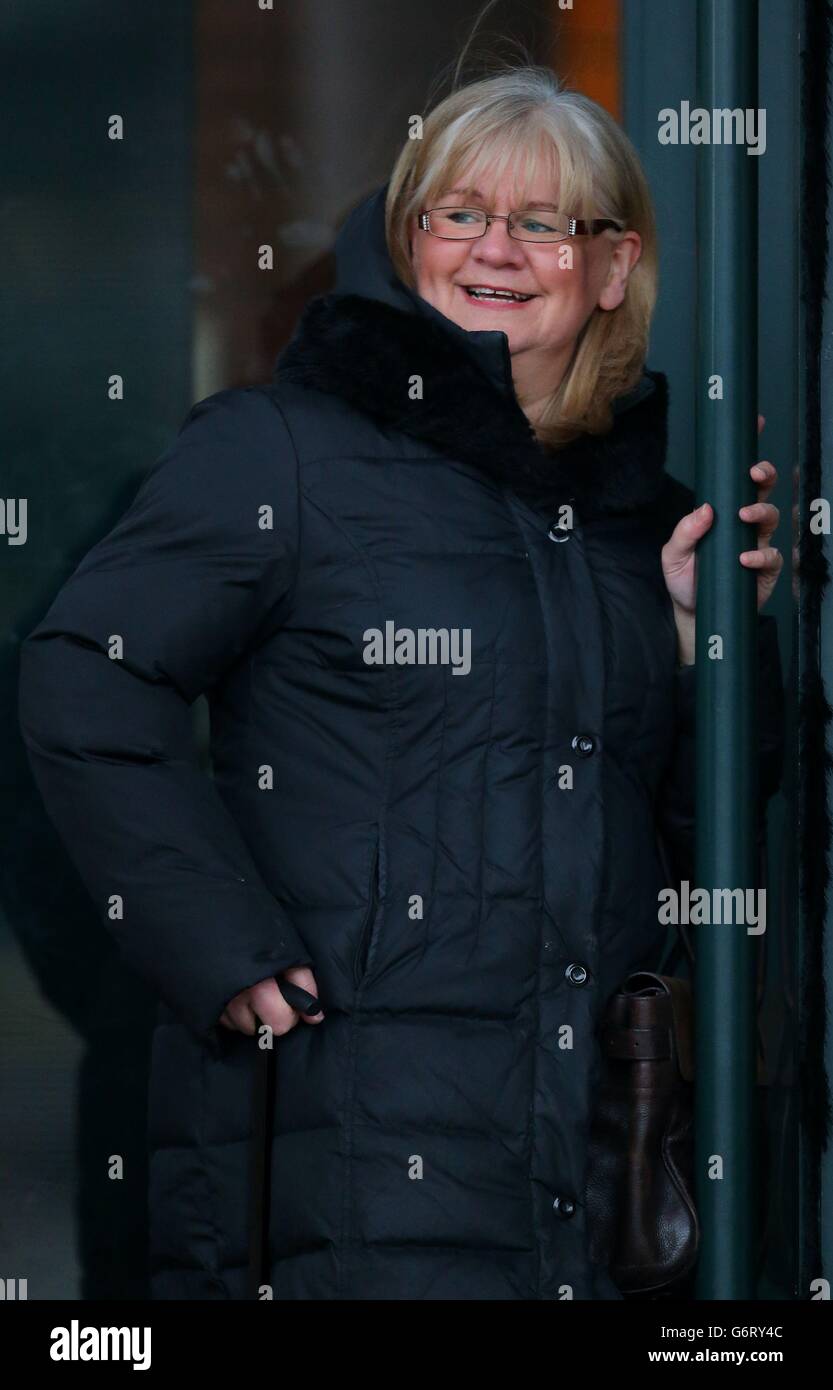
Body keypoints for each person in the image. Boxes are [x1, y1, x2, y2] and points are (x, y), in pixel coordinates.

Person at [18, 66, 783, 1301]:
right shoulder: (280, 450)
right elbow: (85, 682)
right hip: (343, 1150)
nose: (496, 249)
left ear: (611, 265)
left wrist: (703, 652)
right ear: (409, 239)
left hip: (590, 1169)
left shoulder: (645, 527)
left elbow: (693, 857)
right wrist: (214, 943)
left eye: (544, 223)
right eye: (456, 213)